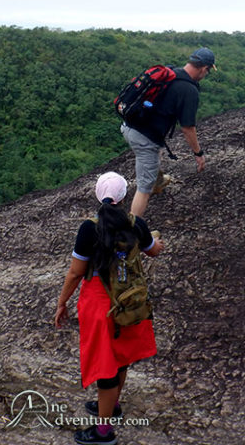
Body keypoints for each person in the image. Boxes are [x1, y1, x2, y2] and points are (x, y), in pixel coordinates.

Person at [55, 172, 164, 445]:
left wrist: (62, 302)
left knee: (106, 368)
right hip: (128, 301)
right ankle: (112, 406)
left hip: (100, 305)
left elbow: (75, 272)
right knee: (121, 357)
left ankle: (104, 432)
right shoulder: (136, 223)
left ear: (98, 196)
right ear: (125, 198)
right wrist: (157, 242)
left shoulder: (89, 228)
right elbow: (153, 250)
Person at [121, 47, 216, 218]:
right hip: (143, 137)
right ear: (204, 68)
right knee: (144, 189)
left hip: (128, 125)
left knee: (151, 158)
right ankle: (133, 235)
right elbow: (187, 128)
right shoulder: (189, 90)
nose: (206, 74)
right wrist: (198, 153)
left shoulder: (170, 71)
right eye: (208, 70)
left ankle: (157, 182)